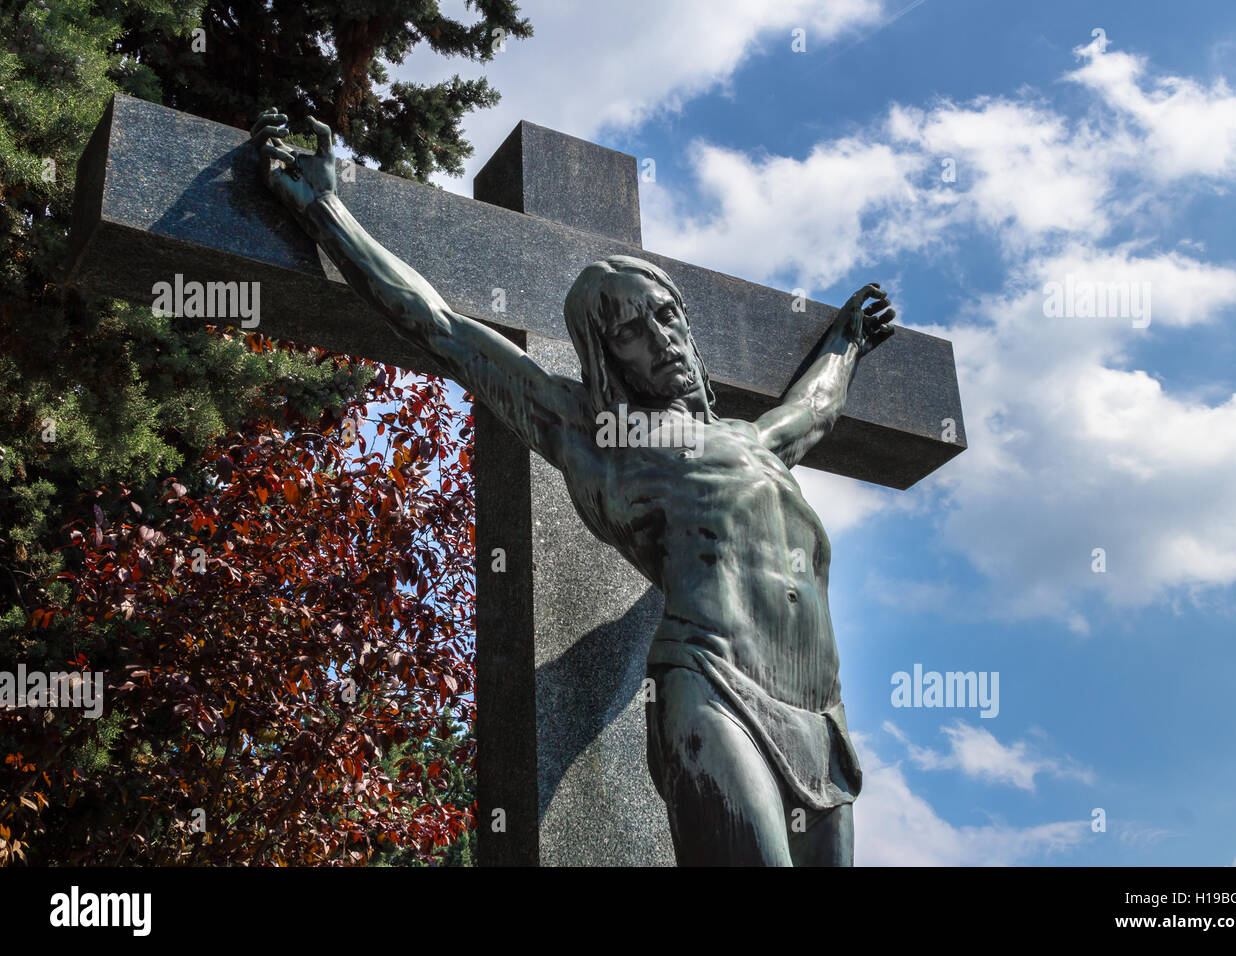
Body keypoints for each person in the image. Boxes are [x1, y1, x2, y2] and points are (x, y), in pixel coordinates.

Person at [250, 109, 894, 866]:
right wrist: (327, 210)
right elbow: (440, 327)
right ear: (607, 356)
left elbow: (814, 406)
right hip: (714, 690)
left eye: (666, 316)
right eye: (631, 332)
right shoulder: (592, 433)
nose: (662, 341)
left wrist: (848, 339)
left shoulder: (757, 442)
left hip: (820, 716)